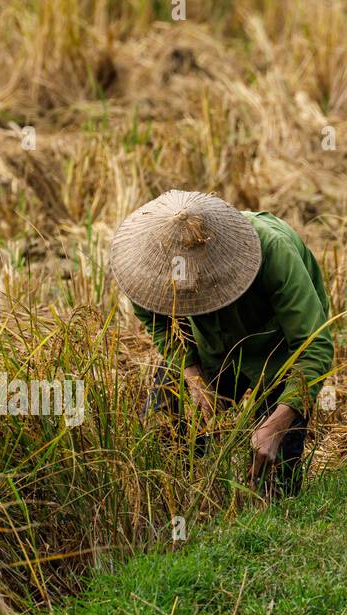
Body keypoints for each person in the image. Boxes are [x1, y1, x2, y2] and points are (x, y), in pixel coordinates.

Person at [110, 190, 333, 496]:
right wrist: (192, 375)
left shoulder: (274, 251)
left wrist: (277, 423)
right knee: (161, 438)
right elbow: (158, 323)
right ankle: (185, 494)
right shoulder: (148, 270)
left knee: (274, 487)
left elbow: (313, 347)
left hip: (278, 348)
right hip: (209, 346)